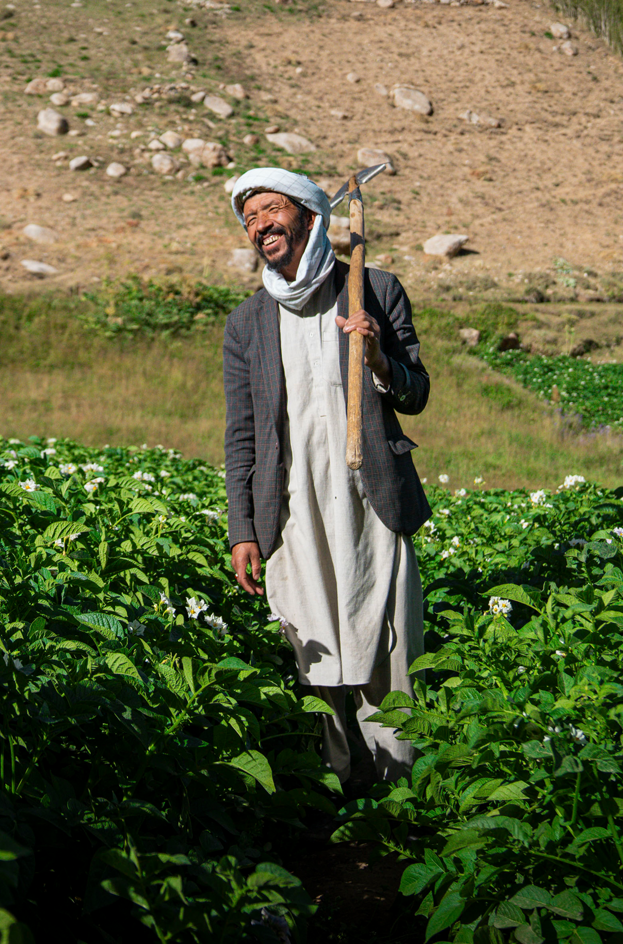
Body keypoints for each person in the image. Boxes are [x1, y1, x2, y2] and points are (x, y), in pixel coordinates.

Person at [220, 167, 431, 785]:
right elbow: (241, 436)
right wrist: (242, 528)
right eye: (250, 218)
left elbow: (415, 394)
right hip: (293, 511)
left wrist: (378, 357)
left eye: (271, 211)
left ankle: (398, 791)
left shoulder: (375, 291)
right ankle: (338, 788)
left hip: (370, 507)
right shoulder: (248, 323)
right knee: (316, 650)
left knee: (384, 651)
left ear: (311, 218)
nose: (260, 226)